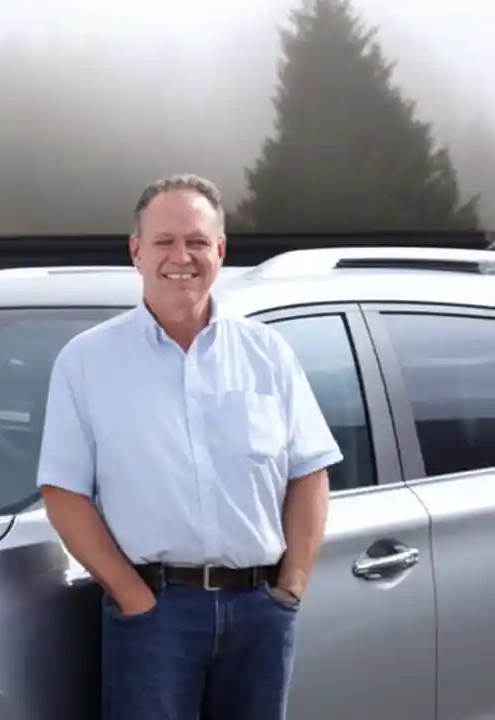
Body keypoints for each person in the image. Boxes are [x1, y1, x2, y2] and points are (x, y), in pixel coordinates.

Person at [35, 174, 342, 720]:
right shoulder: (87, 362)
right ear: (136, 251)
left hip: (259, 613)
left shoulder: (267, 354)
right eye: (164, 241)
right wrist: (134, 598)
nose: (183, 256)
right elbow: (64, 492)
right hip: (155, 618)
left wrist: (290, 588)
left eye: (198, 241)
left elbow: (309, 473)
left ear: (221, 251)